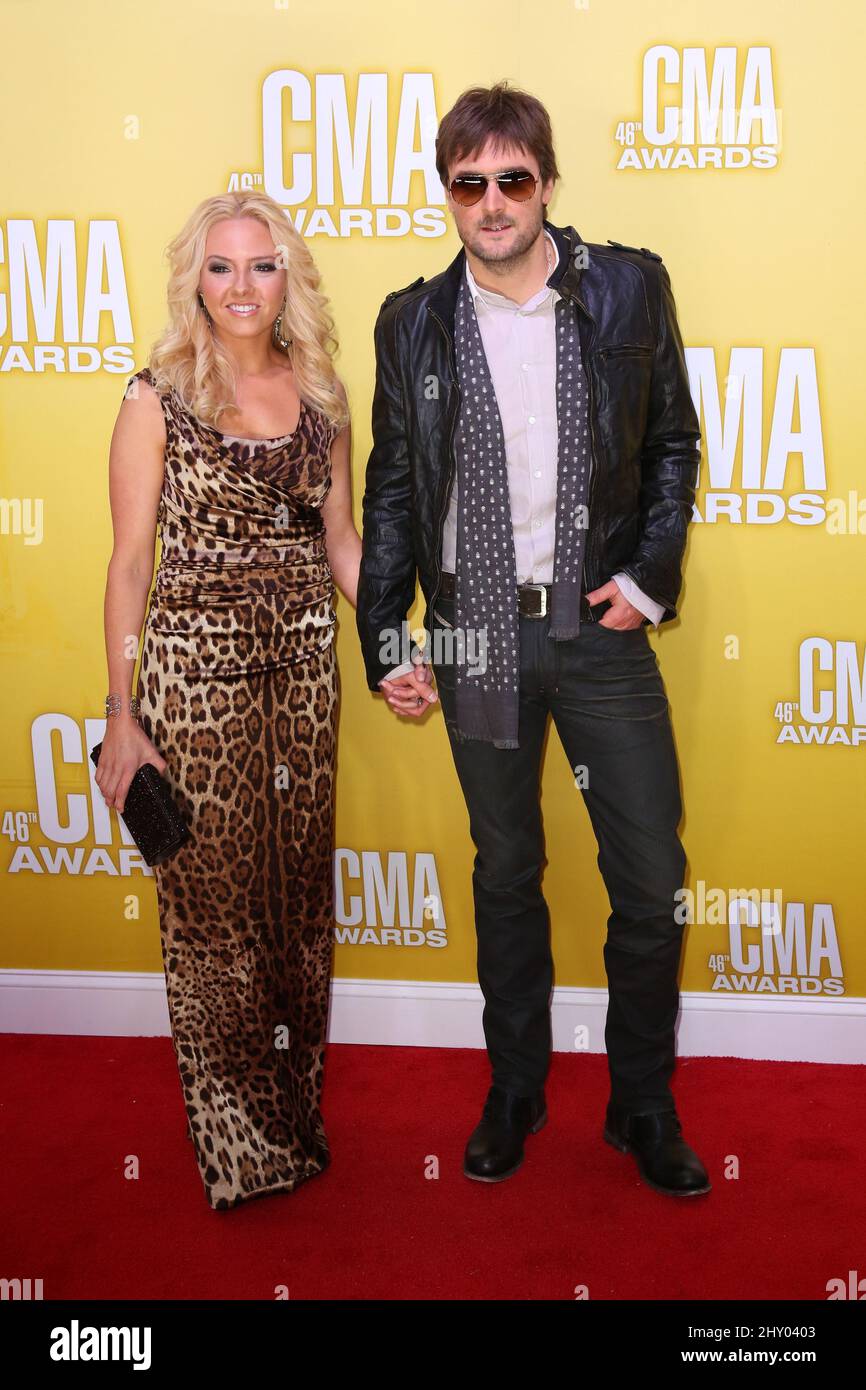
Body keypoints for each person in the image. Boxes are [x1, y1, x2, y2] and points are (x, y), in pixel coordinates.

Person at [356, 82, 709, 1197]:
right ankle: (514, 1088)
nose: (493, 202)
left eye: (513, 179)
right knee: (506, 870)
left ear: (545, 184)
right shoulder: (410, 322)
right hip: (472, 636)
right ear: (448, 195)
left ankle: (641, 1102)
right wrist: (384, 635)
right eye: (470, 183)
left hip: (598, 632)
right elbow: (395, 488)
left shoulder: (624, 289)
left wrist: (649, 579)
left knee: (649, 884)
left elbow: (669, 443)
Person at [95, 190, 360, 1210]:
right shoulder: (153, 395)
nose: (240, 287)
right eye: (220, 266)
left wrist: (389, 637)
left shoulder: (324, 395)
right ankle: (240, 1145)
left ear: (285, 276)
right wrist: (123, 710)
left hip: (301, 675)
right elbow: (128, 564)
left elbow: (340, 543)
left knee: (294, 905)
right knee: (213, 917)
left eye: (260, 265)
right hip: (192, 677)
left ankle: (294, 1118)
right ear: (193, 280)